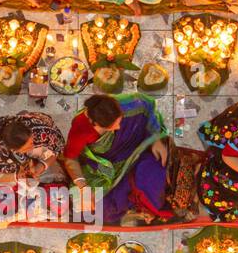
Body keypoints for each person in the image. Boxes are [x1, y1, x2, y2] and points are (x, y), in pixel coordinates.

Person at [63, 92, 170, 224]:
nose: (118, 127)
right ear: (96, 125)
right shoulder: (80, 128)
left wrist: (156, 138)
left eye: (119, 121)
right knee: (95, 209)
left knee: (160, 163)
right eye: (113, 126)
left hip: (131, 141)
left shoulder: (121, 105)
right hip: (102, 161)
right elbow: (70, 159)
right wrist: (83, 187)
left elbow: (146, 104)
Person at [0, 111, 64, 224]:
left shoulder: (39, 130)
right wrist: (16, 176)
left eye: (31, 142)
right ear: (13, 150)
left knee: (42, 149)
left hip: (21, 143)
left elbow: (58, 147)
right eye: (27, 147)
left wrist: (42, 166)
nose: (32, 145)